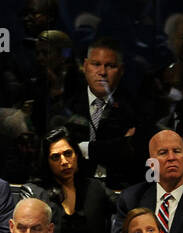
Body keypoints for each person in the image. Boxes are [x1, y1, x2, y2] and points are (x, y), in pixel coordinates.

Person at [20, 128, 114, 233]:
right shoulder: (34, 193)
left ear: (76, 154)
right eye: (56, 157)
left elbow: (126, 213)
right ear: (47, 162)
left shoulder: (95, 187)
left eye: (68, 154)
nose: (64, 161)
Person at [59, 37, 144, 189]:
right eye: (96, 64)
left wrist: (84, 148)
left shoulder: (135, 108)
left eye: (110, 66)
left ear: (121, 70)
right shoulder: (68, 104)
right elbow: (60, 150)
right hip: (75, 186)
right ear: (85, 66)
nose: (102, 72)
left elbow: (131, 152)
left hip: (120, 188)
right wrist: (115, 147)